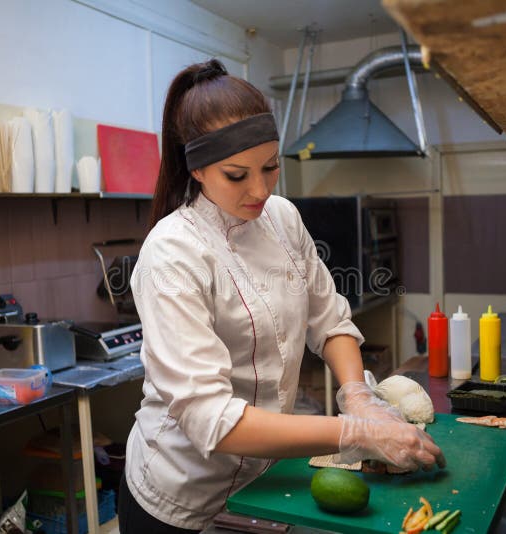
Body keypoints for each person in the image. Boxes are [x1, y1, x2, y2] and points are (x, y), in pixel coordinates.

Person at [119, 58, 446, 533]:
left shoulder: (281, 218)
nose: (259, 189)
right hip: (180, 499)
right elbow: (212, 419)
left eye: (270, 167)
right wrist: (355, 432)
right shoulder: (172, 253)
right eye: (237, 175)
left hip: (264, 485)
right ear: (197, 169)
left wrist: (357, 395)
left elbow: (329, 319)